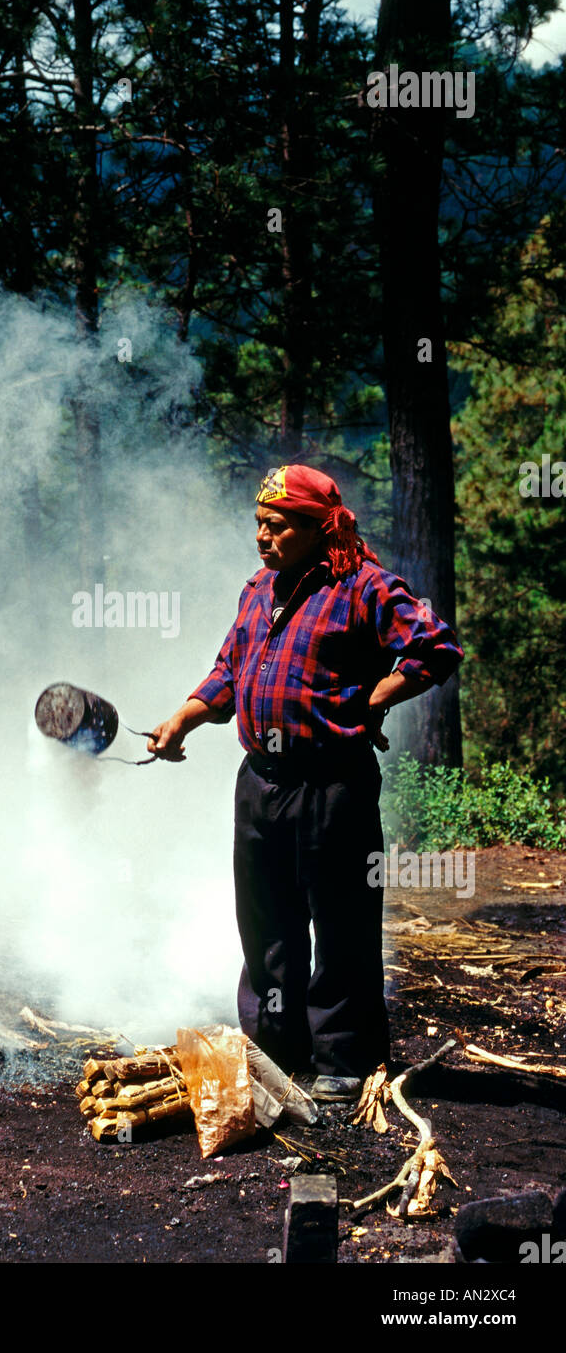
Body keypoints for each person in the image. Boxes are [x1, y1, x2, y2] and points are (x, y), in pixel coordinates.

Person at [149, 464, 464, 1102]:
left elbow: (436, 648)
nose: (264, 538)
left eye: (278, 526)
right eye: (259, 525)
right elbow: (229, 672)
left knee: (341, 921)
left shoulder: (365, 589)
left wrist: (377, 694)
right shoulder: (259, 590)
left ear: (321, 528)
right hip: (260, 784)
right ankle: (275, 1048)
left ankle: (343, 1057)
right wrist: (185, 715)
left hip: (332, 788)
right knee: (265, 923)